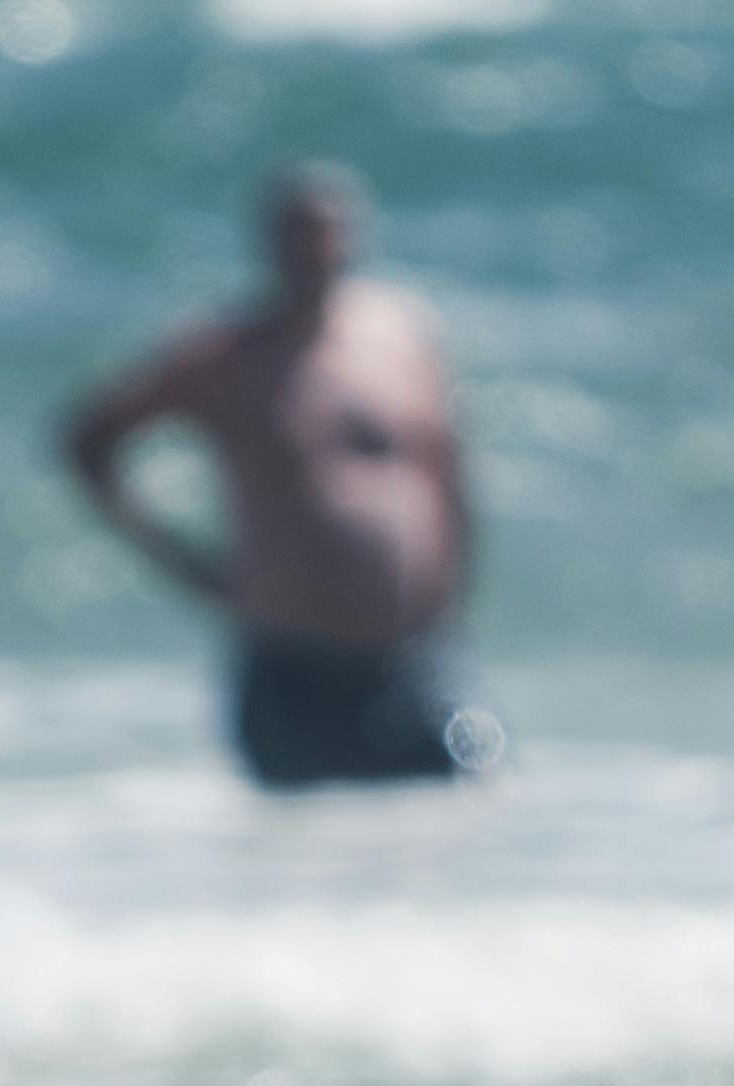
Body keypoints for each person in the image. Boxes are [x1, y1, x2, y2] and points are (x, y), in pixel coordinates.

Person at [59, 163, 490, 791]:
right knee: (300, 859)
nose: (316, 250)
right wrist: (185, 563)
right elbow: (88, 440)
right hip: (292, 662)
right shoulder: (225, 354)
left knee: (470, 807)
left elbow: (448, 474)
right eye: (299, 234)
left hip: (412, 656)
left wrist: (451, 589)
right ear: (266, 242)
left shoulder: (404, 337)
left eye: (329, 232)